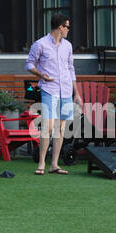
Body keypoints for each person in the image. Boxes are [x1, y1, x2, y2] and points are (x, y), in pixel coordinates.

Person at [27, 13, 81, 175]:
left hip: (66, 90)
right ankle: (41, 163)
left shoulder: (68, 46)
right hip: (49, 89)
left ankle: (54, 165)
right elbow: (29, 64)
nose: (68, 30)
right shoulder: (40, 44)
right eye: (67, 27)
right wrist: (41, 75)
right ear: (60, 27)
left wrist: (76, 93)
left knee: (61, 128)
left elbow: (71, 69)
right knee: (48, 126)